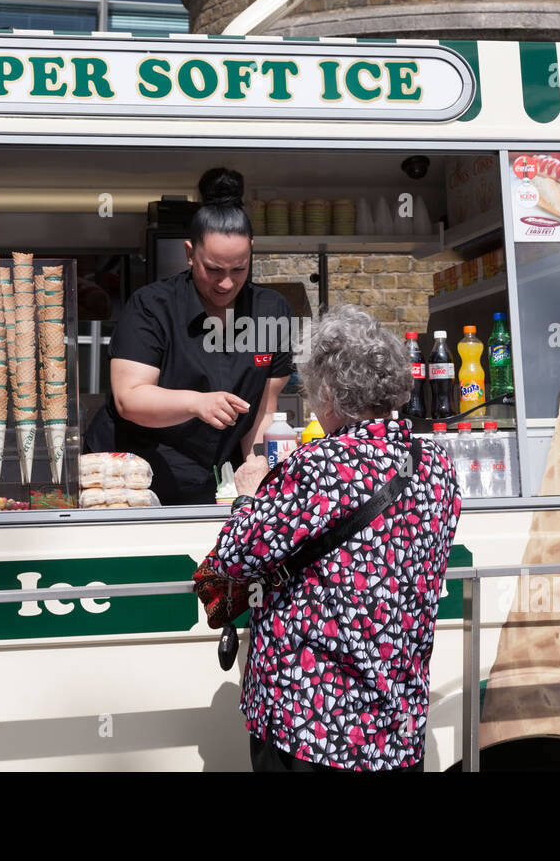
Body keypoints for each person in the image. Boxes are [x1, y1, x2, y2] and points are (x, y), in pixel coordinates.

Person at [200, 305, 461, 771]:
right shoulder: (434, 464)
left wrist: (246, 497)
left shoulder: (317, 466)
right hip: (395, 723)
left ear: (327, 391)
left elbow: (234, 558)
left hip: (312, 722)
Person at [85, 168, 294, 505]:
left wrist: (257, 466)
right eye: (213, 269)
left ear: (251, 252)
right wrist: (196, 403)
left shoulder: (272, 311)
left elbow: (263, 411)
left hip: (219, 478)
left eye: (238, 269)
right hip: (137, 480)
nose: (225, 283)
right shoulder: (152, 306)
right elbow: (129, 398)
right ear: (189, 253)